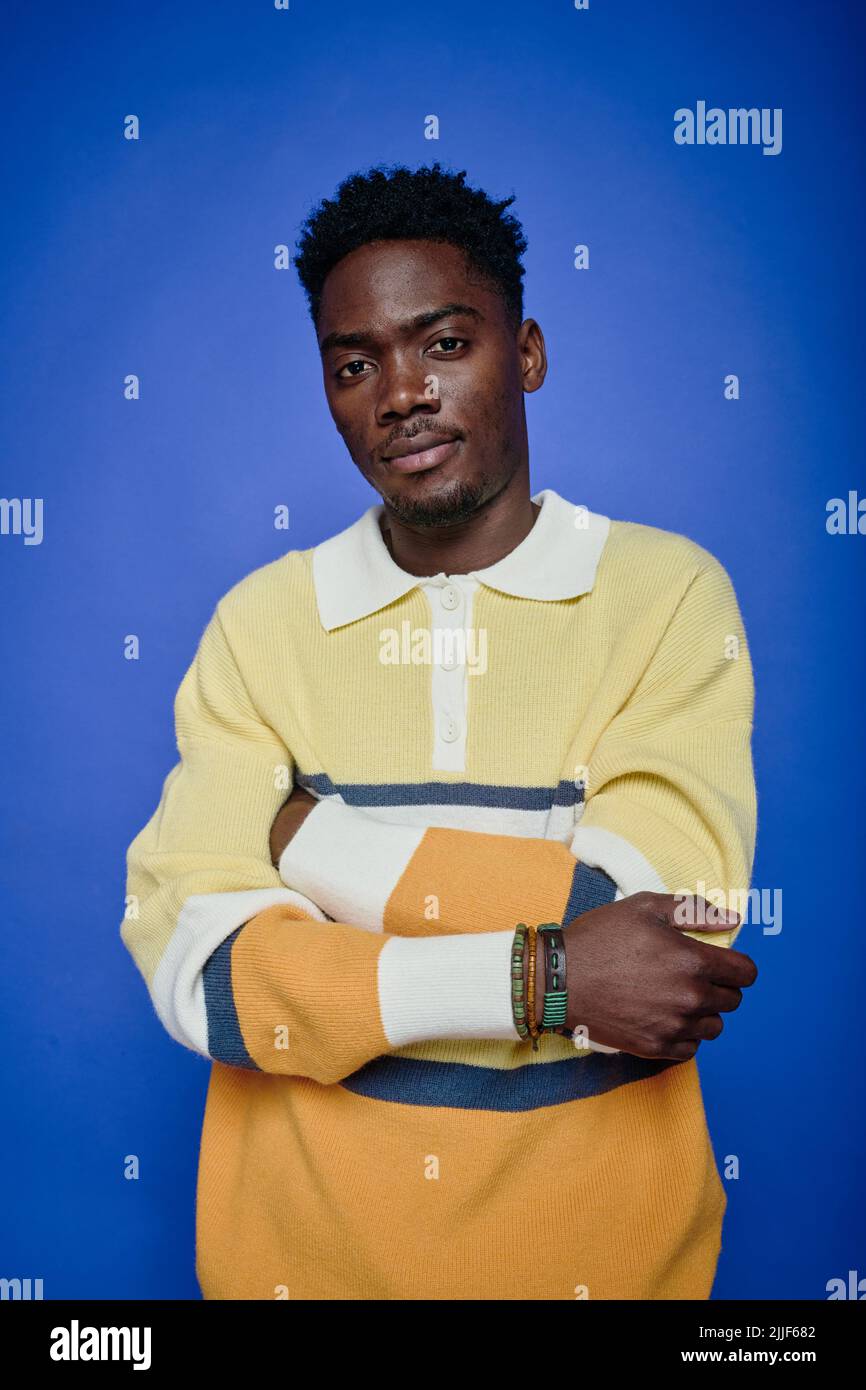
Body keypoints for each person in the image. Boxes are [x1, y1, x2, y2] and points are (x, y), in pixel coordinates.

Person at [121, 161, 758, 1300]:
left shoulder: (665, 595)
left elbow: (664, 930)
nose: (399, 392)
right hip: (301, 1273)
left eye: (443, 344)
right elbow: (208, 980)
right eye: (354, 364)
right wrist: (543, 978)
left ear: (525, 354)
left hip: (605, 1273)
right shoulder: (261, 624)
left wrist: (309, 840)